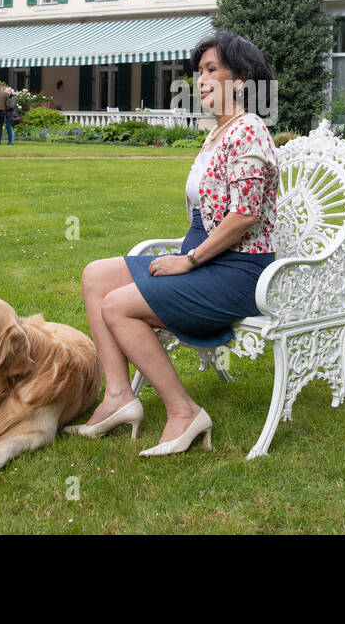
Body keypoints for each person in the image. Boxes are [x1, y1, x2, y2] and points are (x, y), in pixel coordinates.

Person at [68, 30, 280, 456]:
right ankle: (118, 397)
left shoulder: (249, 132)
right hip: (205, 256)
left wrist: (189, 261)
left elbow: (245, 215)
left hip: (239, 271)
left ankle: (184, 412)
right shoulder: (219, 132)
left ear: (239, 79)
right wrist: (189, 255)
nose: (200, 80)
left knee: (118, 305)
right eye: (198, 71)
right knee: (95, 277)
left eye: (211, 70)